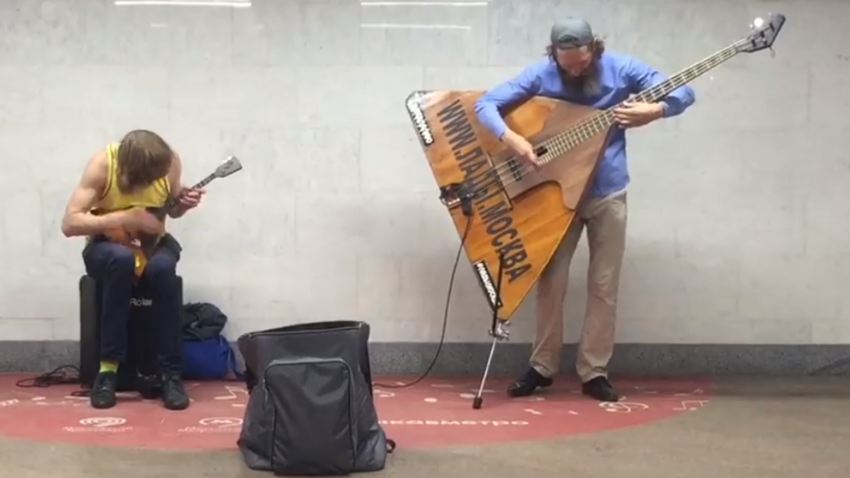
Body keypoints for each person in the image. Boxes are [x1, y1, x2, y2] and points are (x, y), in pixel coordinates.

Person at [473, 15, 696, 402]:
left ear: (594, 48)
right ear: (554, 55)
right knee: (550, 282)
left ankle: (594, 371)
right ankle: (542, 367)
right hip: (557, 197)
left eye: (582, 61)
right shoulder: (542, 74)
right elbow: (486, 104)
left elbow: (685, 91)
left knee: (604, 285)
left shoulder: (622, 69)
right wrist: (513, 140)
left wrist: (657, 110)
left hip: (608, 192)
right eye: (567, 64)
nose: (576, 69)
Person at [61, 129, 205, 410]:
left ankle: (170, 374)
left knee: (163, 269)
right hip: (107, 244)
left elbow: (171, 209)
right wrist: (125, 217)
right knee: (121, 261)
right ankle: (107, 371)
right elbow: (70, 223)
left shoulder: (169, 161)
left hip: (153, 243)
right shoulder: (104, 165)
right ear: (133, 171)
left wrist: (183, 205)